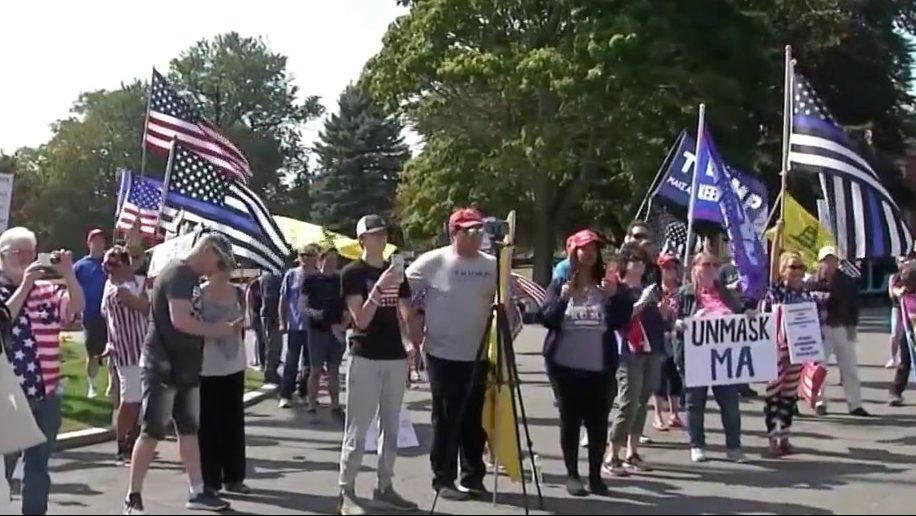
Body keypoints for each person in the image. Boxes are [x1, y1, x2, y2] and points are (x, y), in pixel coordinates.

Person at [123, 233, 242, 514]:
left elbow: (190, 317)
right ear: (208, 251)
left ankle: (198, 491)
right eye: (220, 262)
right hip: (163, 365)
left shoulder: (188, 278)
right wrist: (219, 330)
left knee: (189, 428)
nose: (219, 270)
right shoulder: (179, 274)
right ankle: (133, 495)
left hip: (186, 365)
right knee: (152, 431)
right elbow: (180, 320)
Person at [405, 208, 497, 500]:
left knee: (475, 418)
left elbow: (506, 300)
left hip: (480, 353)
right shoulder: (434, 261)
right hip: (442, 353)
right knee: (446, 417)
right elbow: (402, 291)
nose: (475, 235)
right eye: (468, 230)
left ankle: (472, 476)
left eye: (479, 230)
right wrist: (411, 327)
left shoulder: (492, 264)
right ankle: (443, 478)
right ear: (454, 232)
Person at [541, 231, 634, 497]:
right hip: (565, 368)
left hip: (599, 368)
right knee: (570, 421)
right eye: (584, 248)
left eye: (594, 248)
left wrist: (615, 296)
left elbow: (621, 320)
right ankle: (572, 475)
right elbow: (546, 318)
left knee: (597, 423)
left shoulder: (608, 284)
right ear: (573, 252)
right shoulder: (560, 282)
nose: (590, 252)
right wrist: (563, 299)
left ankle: (595, 476)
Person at [0, 226, 84, 515]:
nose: (25, 258)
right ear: (2, 257)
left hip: (45, 392)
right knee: (3, 467)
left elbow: (74, 309)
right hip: (7, 397)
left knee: (38, 468)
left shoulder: (47, 289)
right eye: (17, 253)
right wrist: (24, 285)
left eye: (30, 253)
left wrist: (69, 274)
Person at [338, 214, 418, 515]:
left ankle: (384, 486)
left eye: (383, 234)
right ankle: (346, 490)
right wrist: (380, 288)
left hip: (394, 356)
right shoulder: (352, 273)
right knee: (358, 429)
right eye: (374, 234)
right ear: (362, 240)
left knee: (391, 427)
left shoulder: (396, 271)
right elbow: (360, 320)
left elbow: (404, 311)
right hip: (365, 355)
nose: (381, 239)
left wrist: (412, 341)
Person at [673, 252, 748, 463]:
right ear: (694, 268)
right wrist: (684, 323)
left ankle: (734, 447)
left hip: (723, 359)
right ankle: (697, 444)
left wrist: (746, 316)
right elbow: (672, 322)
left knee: (730, 404)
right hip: (695, 359)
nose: (711, 269)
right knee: (695, 404)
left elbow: (740, 314)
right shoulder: (685, 294)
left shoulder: (725, 293)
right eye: (706, 264)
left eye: (714, 265)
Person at [604, 246, 667, 476]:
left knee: (642, 401)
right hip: (628, 351)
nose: (639, 264)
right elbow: (619, 320)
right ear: (624, 264)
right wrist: (641, 302)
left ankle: (632, 452)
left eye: (642, 260)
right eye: (634, 260)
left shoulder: (649, 289)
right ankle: (612, 455)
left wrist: (664, 312)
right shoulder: (618, 291)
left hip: (652, 348)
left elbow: (661, 322)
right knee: (628, 402)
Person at [198, 268, 250, 495]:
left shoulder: (238, 292)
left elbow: (246, 320)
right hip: (207, 366)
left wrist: (238, 325)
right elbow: (191, 326)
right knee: (208, 425)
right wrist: (216, 329)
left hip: (234, 363)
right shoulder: (197, 294)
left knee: (234, 423)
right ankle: (210, 480)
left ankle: (234, 477)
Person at [761, 251, 815, 458]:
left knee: (788, 397)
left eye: (800, 267)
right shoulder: (778, 291)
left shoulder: (805, 293)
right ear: (783, 271)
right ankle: (772, 439)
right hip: (776, 350)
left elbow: (812, 321)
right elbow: (773, 266)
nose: (798, 271)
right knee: (773, 396)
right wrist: (777, 238)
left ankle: (784, 436)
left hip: (797, 352)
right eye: (793, 267)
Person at [100, 246, 149, 464]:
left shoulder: (116, 285)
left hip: (137, 349)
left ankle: (131, 438)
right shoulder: (120, 291)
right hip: (129, 351)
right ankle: (122, 444)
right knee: (130, 399)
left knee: (137, 399)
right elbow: (146, 308)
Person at [808, 246, 869, 417]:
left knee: (849, 368)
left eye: (832, 260)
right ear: (820, 262)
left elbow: (854, 305)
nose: (829, 263)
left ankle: (855, 404)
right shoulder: (812, 282)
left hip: (842, 326)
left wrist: (852, 327)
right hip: (820, 329)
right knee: (819, 368)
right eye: (826, 260)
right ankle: (819, 402)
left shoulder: (846, 282)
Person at [302, 247, 346, 417]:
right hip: (317, 330)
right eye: (328, 260)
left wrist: (343, 326)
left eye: (334, 261)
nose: (331, 264)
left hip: (335, 330)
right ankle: (311, 404)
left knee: (334, 370)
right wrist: (314, 313)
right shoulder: (311, 280)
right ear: (321, 260)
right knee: (316, 369)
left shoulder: (340, 280)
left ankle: (335, 404)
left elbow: (347, 307)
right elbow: (303, 306)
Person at [279, 245, 319, 408]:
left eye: (309, 255)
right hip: (295, 325)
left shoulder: (319, 277)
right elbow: (283, 299)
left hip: (314, 326)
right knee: (291, 361)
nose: (306, 258)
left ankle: (304, 392)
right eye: (303, 255)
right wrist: (282, 321)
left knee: (310, 363)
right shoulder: (291, 275)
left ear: (315, 258)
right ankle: (286, 394)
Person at [73, 228, 108, 399]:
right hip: (90, 314)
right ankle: (92, 387)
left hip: (110, 315)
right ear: (89, 243)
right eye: (95, 240)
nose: (99, 243)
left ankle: (112, 385)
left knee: (113, 352)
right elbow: (72, 289)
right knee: (92, 353)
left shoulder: (110, 263)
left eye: (101, 240)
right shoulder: (80, 266)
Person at [652, 253, 684, 431]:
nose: (670, 271)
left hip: (677, 339)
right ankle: (657, 415)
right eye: (666, 267)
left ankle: (675, 413)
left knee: (676, 376)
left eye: (673, 267)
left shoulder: (681, 290)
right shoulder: (655, 291)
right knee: (660, 376)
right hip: (660, 338)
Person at [889, 261, 916, 406]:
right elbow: (894, 286)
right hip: (910, 322)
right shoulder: (909, 269)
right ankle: (895, 392)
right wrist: (899, 291)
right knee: (906, 358)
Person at [259, 268, 283, 385]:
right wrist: (276, 316)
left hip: (267, 314)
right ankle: (270, 373)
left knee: (272, 345)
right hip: (272, 315)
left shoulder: (265, 276)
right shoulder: (272, 278)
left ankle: (271, 371)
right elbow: (270, 297)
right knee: (274, 345)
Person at [245, 277, 266, 368]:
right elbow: (248, 299)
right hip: (256, 313)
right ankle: (258, 360)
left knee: (263, 338)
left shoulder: (266, 282)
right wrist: (250, 315)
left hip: (265, 313)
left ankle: (262, 359)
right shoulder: (254, 284)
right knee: (259, 337)